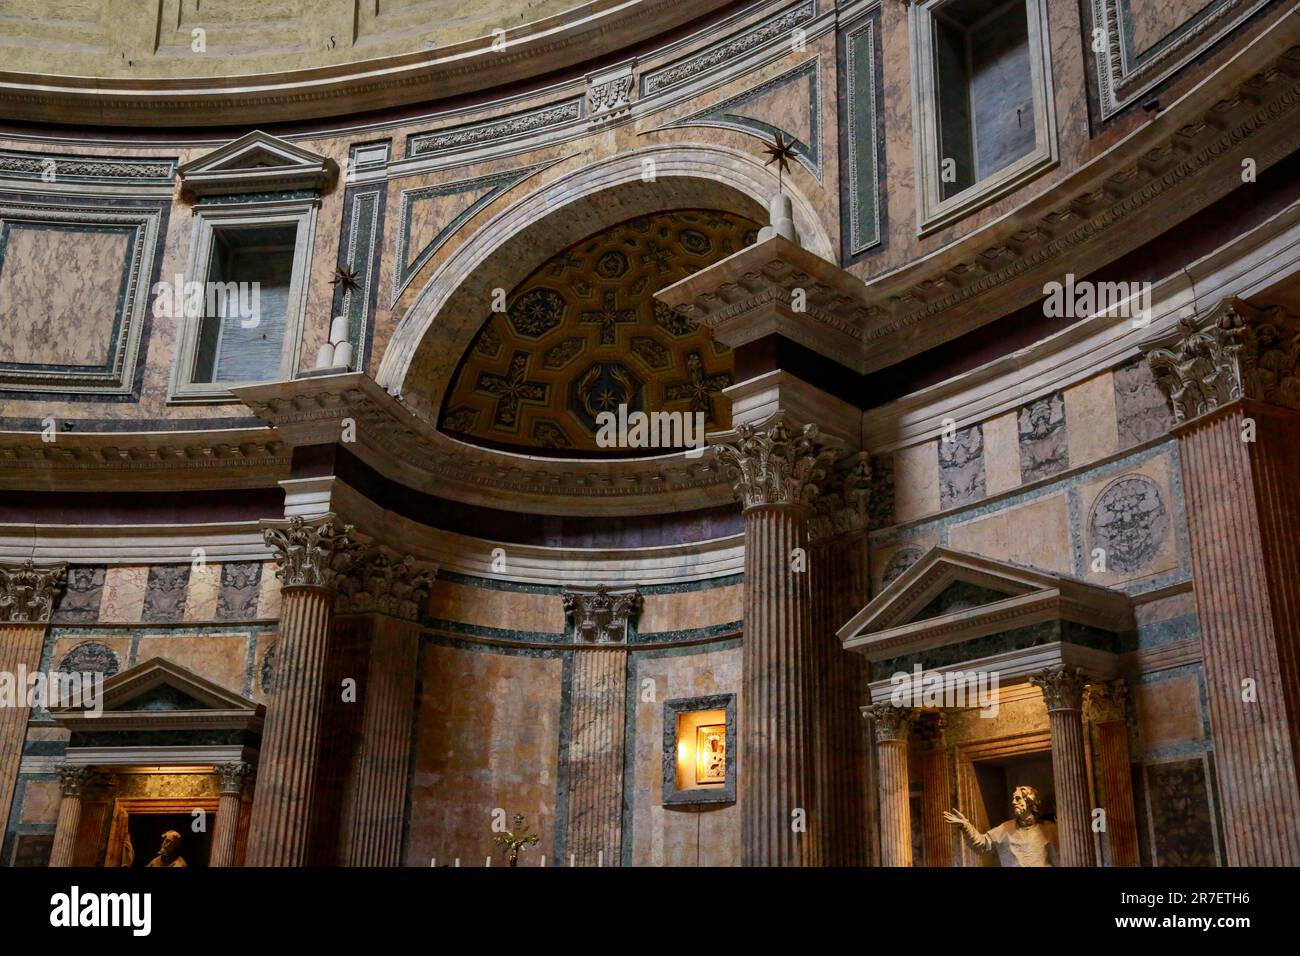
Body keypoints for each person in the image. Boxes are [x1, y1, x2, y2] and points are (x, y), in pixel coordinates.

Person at [943, 785, 1058, 866]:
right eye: (1013, 799)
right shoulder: (1005, 829)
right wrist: (965, 826)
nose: (1013, 802)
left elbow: (1059, 859)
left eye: (1018, 799)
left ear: (1030, 802)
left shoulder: (1048, 829)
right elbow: (982, 844)